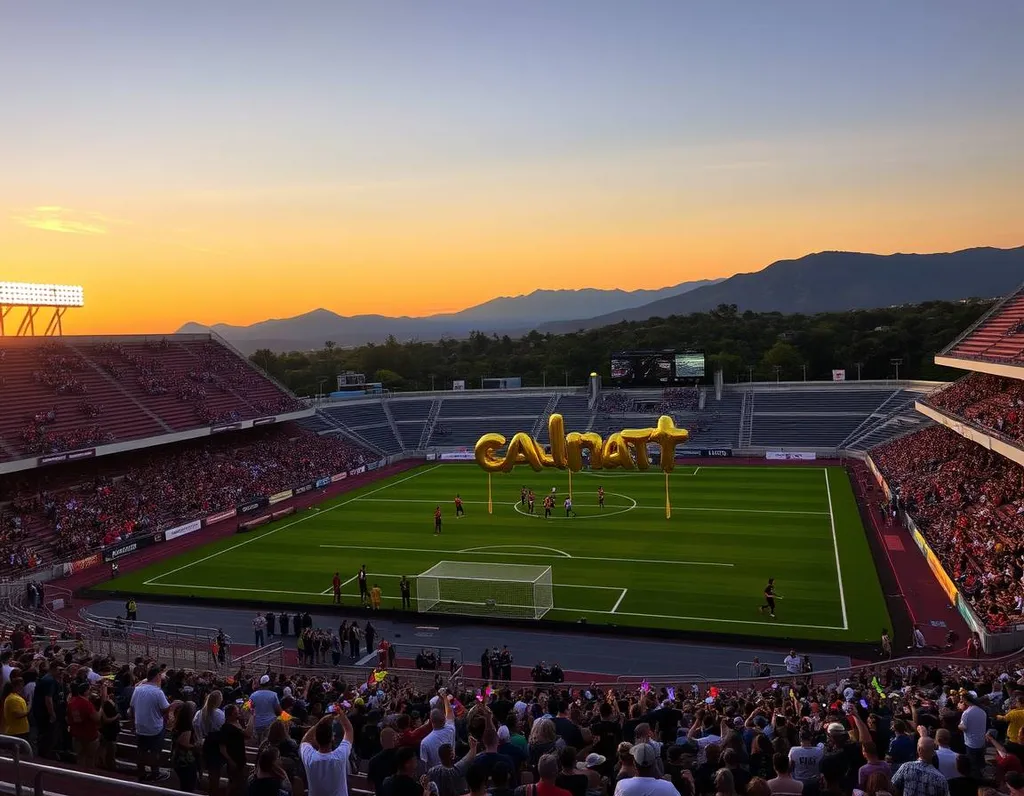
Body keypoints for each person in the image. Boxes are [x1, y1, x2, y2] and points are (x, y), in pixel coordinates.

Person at [130, 665, 171, 782]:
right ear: (157, 676)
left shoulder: (138, 689)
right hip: (154, 728)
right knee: (155, 752)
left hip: (140, 726)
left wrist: (133, 723)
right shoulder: (158, 692)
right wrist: (173, 706)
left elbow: (132, 707)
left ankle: (141, 772)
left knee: (141, 751)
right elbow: (165, 709)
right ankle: (155, 773)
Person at [300, 710, 354, 796]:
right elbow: (349, 731)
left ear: (316, 739)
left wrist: (320, 722)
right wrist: (342, 716)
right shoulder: (340, 756)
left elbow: (305, 740)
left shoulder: (309, 757)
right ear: (332, 738)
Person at [67, 680, 102, 771]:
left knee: (80, 757)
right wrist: (101, 708)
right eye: (90, 690)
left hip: (76, 734)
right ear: (86, 691)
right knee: (90, 759)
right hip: (89, 735)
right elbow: (97, 718)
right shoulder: (87, 704)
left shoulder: (72, 702)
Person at [420, 691, 456, 769]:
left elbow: (424, 766)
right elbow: (450, 713)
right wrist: (445, 698)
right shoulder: (451, 729)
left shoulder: (424, 742)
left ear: (431, 721)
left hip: (434, 775)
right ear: (444, 719)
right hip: (451, 769)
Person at [170, 699, 199, 792]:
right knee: (188, 785)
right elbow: (183, 742)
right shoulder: (187, 725)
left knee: (184, 784)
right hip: (185, 760)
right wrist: (196, 746)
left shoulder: (179, 722)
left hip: (177, 757)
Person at [250, 675, 282, 743]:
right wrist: (290, 718)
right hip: (269, 725)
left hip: (257, 724)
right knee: (266, 745)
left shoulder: (253, 695)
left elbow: (249, 709)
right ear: (269, 683)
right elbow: (279, 712)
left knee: (258, 744)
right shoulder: (274, 695)